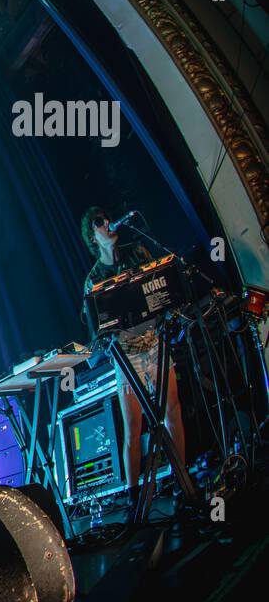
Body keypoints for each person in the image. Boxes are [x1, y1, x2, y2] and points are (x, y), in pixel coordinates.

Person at [81, 206, 186, 493]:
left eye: (107, 219)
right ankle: (135, 495)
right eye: (99, 224)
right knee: (133, 427)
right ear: (92, 237)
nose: (107, 224)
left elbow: (160, 288)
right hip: (127, 356)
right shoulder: (94, 279)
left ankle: (182, 482)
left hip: (155, 341)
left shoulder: (136, 252)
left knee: (172, 411)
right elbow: (95, 330)